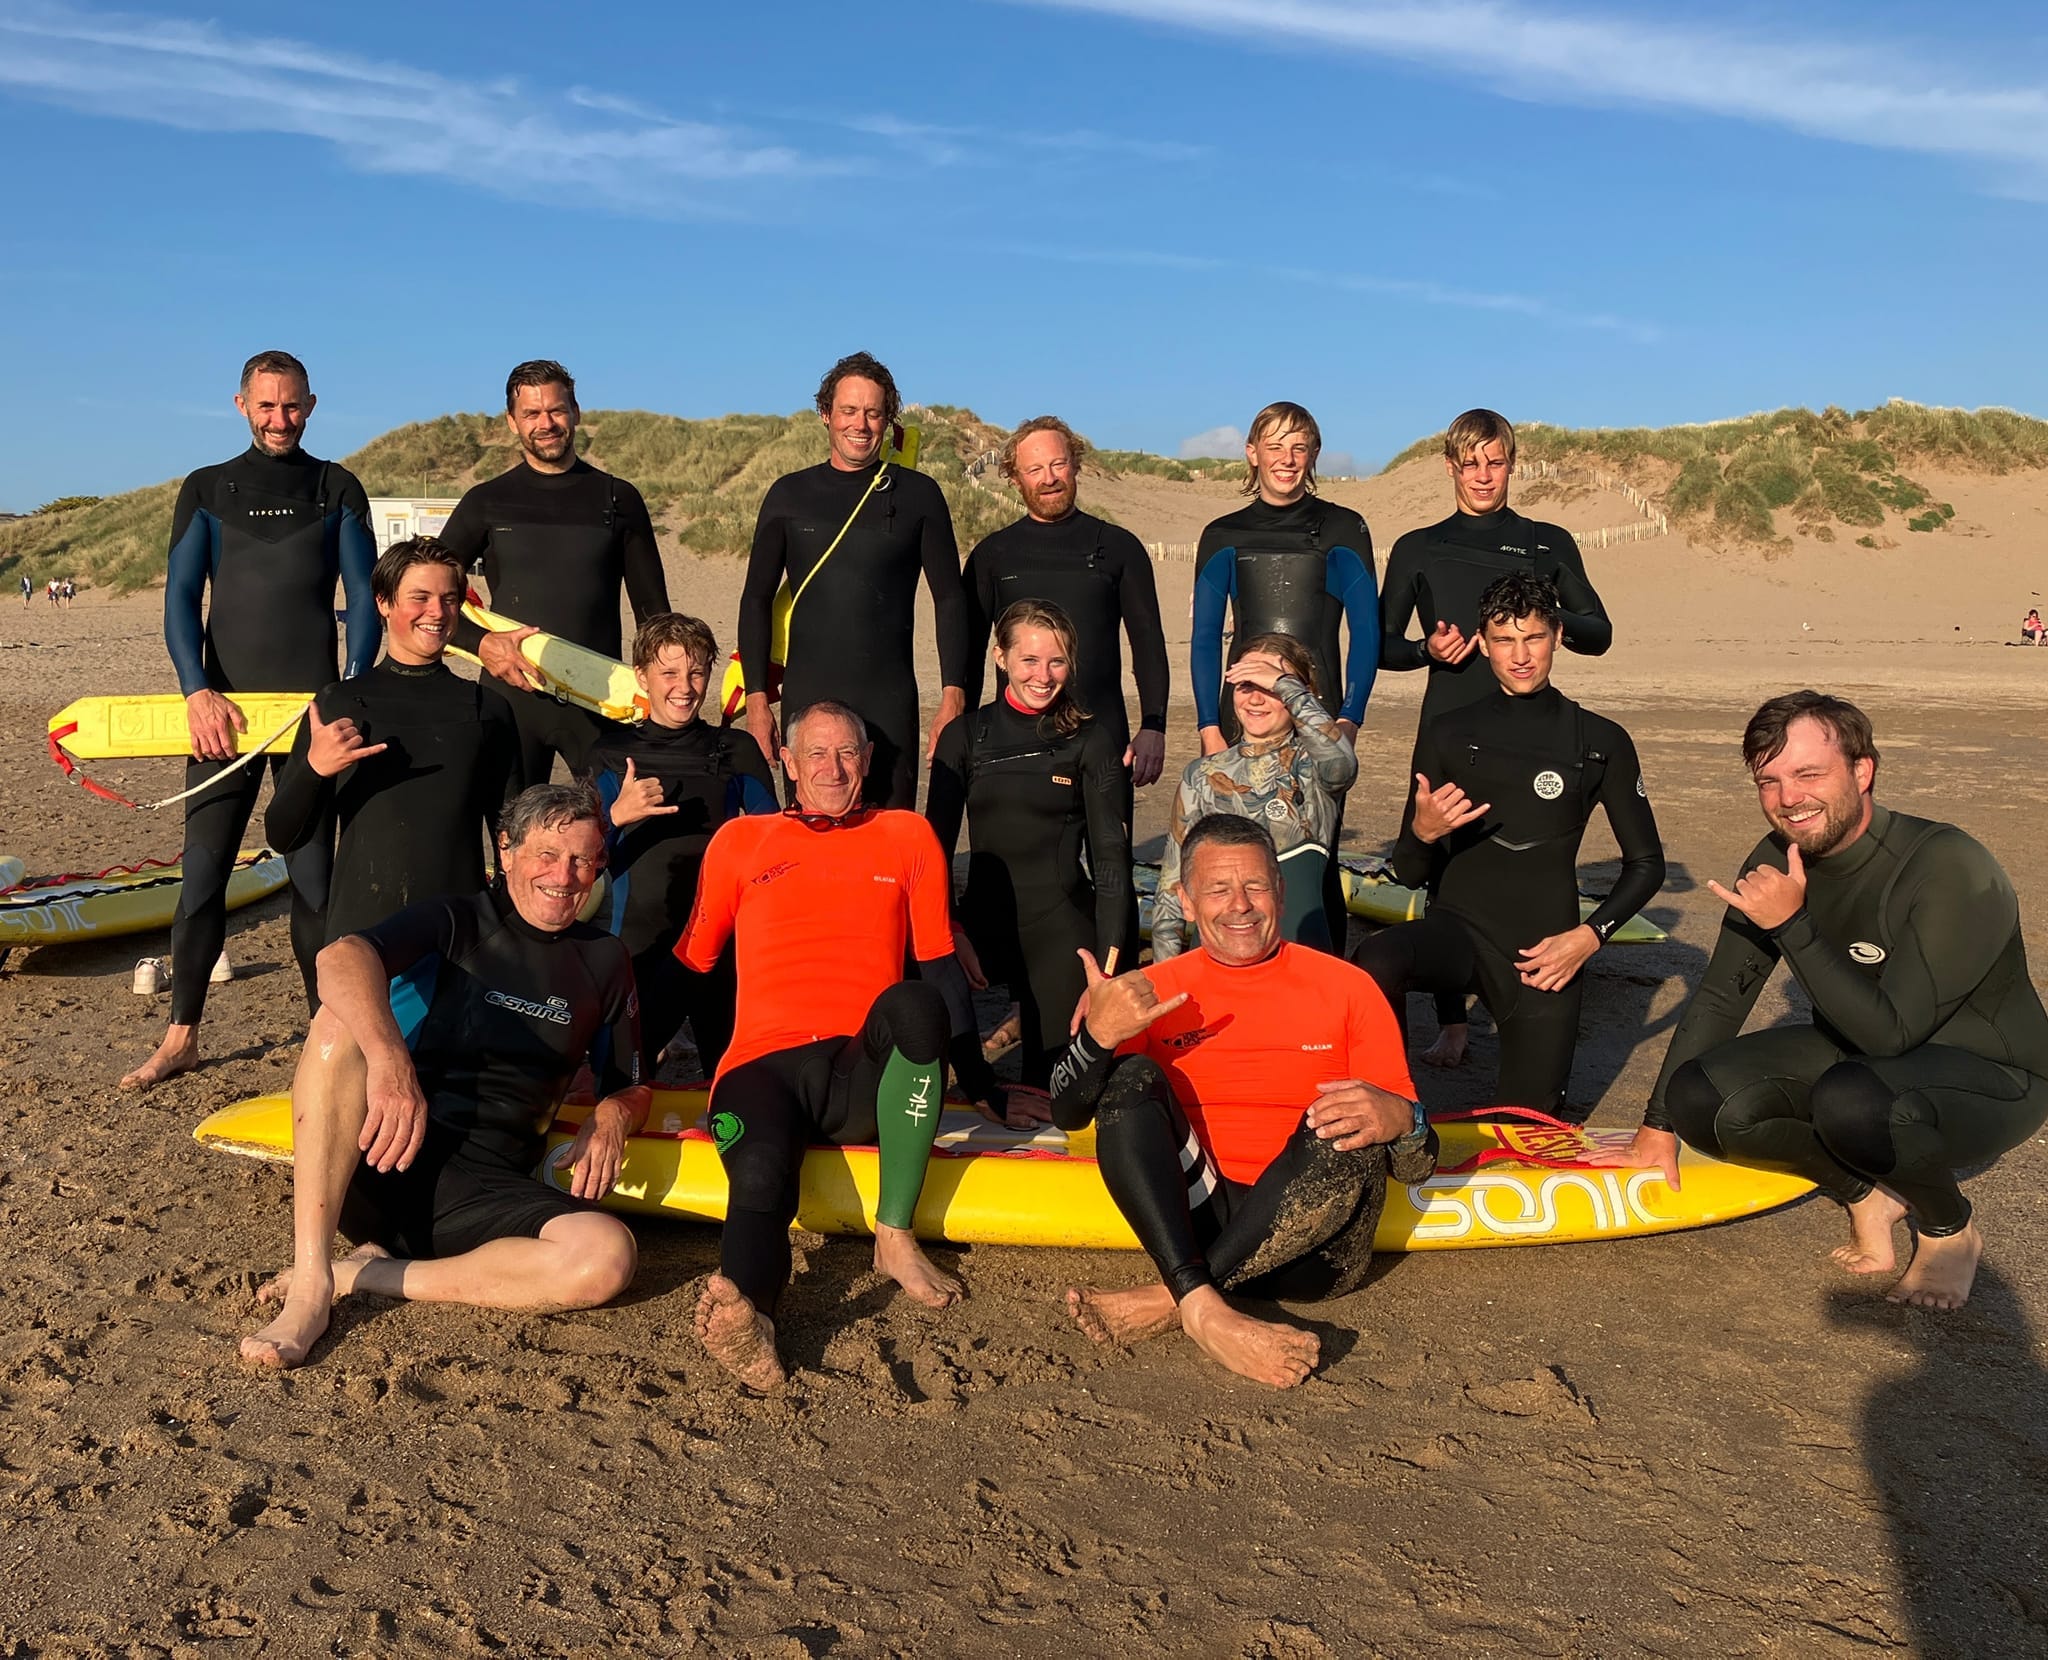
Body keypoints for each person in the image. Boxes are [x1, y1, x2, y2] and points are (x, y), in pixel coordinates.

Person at [1595, 692, 2048, 1311]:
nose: (1789, 799)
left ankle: (1948, 1227)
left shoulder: (1948, 864)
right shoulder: (1774, 859)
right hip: (1864, 1057)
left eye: (1810, 774)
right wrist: (1658, 1128)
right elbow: (1724, 995)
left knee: (1854, 1099)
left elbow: (1894, 1036)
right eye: (1770, 781)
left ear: (1862, 771)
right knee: (1699, 1098)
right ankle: (1867, 1194)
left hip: (1993, 1077)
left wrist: (1793, 925)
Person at [239, 783, 648, 1369]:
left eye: (584, 860)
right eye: (548, 855)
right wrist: (390, 1061)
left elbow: (631, 1082)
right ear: (506, 850)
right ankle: (312, 1283)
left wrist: (613, 1114)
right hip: (387, 1158)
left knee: (606, 1257)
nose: (565, 876)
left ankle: (372, 1275)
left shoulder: (606, 960)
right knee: (337, 1027)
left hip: (485, 1198)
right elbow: (339, 959)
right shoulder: (459, 920)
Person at [1050, 814, 1432, 1388]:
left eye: (1255, 886)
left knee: (1344, 1119)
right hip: (1198, 1222)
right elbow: (1067, 1112)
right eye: (1218, 889)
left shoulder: (1349, 987)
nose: (1240, 906)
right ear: (1183, 897)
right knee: (1130, 1079)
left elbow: (1417, 1163)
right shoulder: (1149, 993)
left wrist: (1403, 1117)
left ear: (1279, 889)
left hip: (1319, 1255)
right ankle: (1206, 1308)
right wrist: (1097, 1038)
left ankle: (1179, 1298)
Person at [679, 699, 996, 1390]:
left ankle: (893, 1234)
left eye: (848, 752)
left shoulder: (907, 836)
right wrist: (628, 1078)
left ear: (869, 761)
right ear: (786, 762)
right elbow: (691, 968)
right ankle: (754, 1323)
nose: (833, 767)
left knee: (914, 1002)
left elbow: (940, 965)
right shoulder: (741, 842)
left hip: (860, 1073)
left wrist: (982, 1081)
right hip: (761, 1068)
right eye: (816, 753)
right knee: (760, 1178)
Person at [122, 349, 380, 1091]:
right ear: (240, 405)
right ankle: (182, 1036)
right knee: (201, 876)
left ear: (312, 404)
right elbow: (180, 599)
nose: (280, 420)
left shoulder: (337, 487)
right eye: (266, 406)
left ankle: (324, 1034)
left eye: (292, 405)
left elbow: (362, 598)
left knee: (315, 884)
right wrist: (197, 692)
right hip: (223, 719)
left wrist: (351, 690)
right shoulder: (208, 488)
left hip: (310, 716)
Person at [1351, 574, 1663, 1117]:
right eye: (1503, 640)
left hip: (1546, 956)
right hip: (1460, 934)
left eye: (1534, 638)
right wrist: (1423, 833)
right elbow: (1407, 868)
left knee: (1529, 1123)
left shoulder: (1600, 740)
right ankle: (1390, 1108)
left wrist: (1589, 938)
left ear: (1558, 637)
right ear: (1483, 642)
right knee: (1375, 960)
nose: (1520, 656)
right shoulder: (1448, 732)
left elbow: (1646, 864)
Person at [1378, 408, 1615, 1068]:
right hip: (1450, 722)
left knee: (1519, 852)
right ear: (1451, 466)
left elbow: (1599, 633)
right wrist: (1427, 647)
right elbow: (1379, 647)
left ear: (1513, 464)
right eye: (1470, 462)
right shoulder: (1418, 546)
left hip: (1532, 730)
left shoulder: (1547, 541)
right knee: (1438, 859)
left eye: (1496, 461)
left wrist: (1550, 616)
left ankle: (1523, 995)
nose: (1483, 475)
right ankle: (1453, 1024)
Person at [737, 351, 973, 810]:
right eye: (848, 410)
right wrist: (758, 700)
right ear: (826, 414)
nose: (860, 424)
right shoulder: (789, 495)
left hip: (889, 698)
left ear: (888, 420)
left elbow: (949, 598)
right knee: (811, 830)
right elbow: (756, 598)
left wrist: (953, 695)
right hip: (808, 692)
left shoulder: (919, 495)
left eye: (873, 412)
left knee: (888, 834)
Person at [264, 537, 522, 943]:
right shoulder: (340, 704)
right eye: (419, 597)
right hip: (363, 936)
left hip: (461, 935)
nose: (436, 612)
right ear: (384, 602)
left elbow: (513, 836)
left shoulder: (487, 709)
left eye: (449, 599)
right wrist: (314, 771)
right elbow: (281, 835)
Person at [927, 600, 1130, 1093]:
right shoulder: (963, 737)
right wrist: (950, 930)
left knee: (1053, 1088)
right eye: (1030, 661)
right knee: (928, 1032)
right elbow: (930, 851)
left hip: (1060, 930)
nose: (1043, 676)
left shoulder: (1090, 739)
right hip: (979, 928)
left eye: (1056, 661)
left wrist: (1107, 971)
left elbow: (1111, 864)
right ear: (1001, 658)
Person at [567, 612, 778, 1080]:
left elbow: (775, 843)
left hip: (721, 942)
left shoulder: (735, 748)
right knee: (622, 1078)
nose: (685, 686)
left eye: (697, 671)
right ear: (642, 676)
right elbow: (577, 856)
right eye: (669, 672)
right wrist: (616, 816)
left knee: (734, 1079)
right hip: (639, 944)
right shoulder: (610, 752)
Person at [439, 359, 669, 783]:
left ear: (576, 412)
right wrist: (480, 643)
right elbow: (423, 593)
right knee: (513, 835)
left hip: (600, 696)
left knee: (609, 830)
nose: (545, 423)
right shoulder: (486, 501)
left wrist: (663, 683)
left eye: (556, 410)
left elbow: (653, 611)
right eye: (531, 414)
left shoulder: (618, 498)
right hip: (511, 695)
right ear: (512, 421)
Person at [960, 415, 1171, 796]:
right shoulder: (992, 555)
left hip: (1104, 738)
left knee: (1111, 855)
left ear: (1076, 465)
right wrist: (965, 731)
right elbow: (970, 652)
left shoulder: (1119, 547)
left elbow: (1148, 643)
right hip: (1015, 740)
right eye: (1035, 469)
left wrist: (1154, 725)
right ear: (1014, 478)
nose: (1049, 478)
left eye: (1058, 464)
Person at [1150, 632, 1355, 960]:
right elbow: (1171, 889)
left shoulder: (1313, 767)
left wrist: (1287, 684)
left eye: (1271, 688)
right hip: (1214, 960)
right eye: (1247, 685)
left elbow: (1343, 764)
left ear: (1303, 693)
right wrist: (1166, 976)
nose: (1257, 699)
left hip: (1299, 959)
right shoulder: (1202, 776)